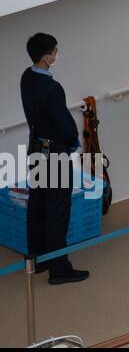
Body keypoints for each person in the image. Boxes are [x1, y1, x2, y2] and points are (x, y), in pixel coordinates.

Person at [20, 34, 89, 284]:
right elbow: (65, 124)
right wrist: (72, 143)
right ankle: (59, 268)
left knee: (37, 205)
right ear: (47, 56)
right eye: (55, 51)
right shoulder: (51, 87)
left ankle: (38, 258)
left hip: (36, 149)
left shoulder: (26, 78)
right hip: (54, 154)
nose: (56, 54)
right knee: (58, 208)